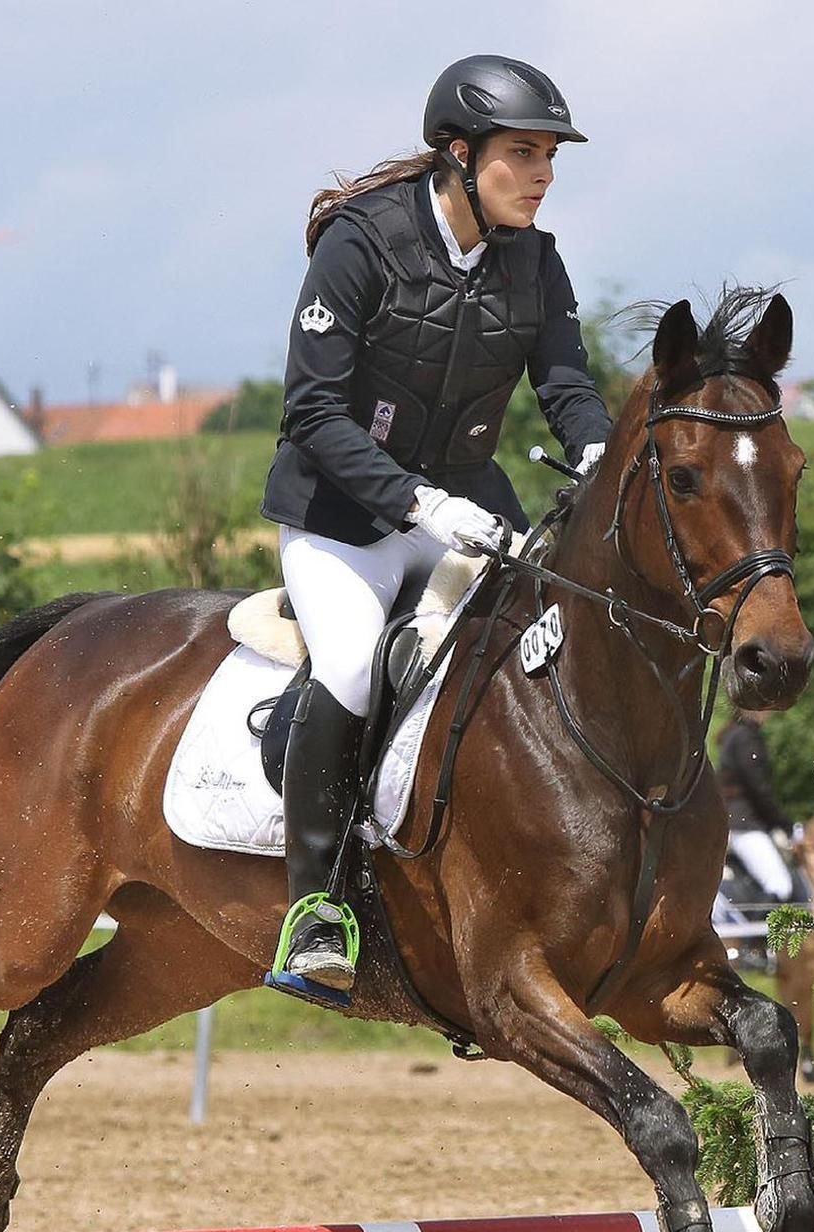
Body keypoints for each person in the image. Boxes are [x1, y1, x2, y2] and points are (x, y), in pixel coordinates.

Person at [260, 55, 615, 993]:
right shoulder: (362, 243)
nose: (541, 175)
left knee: (538, 649)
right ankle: (314, 906)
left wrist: (599, 457)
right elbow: (314, 414)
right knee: (347, 660)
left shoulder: (535, 259)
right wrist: (418, 504)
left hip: (469, 502)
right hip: (343, 516)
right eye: (522, 154)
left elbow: (567, 385)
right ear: (458, 155)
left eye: (549, 157)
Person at [716, 708, 800, 905]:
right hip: (743, 824)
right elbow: (759, 790)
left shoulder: (735, 733)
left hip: (734, 821)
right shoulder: (746, 737)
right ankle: (758, 936)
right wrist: (787, 827)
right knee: (780, 885)